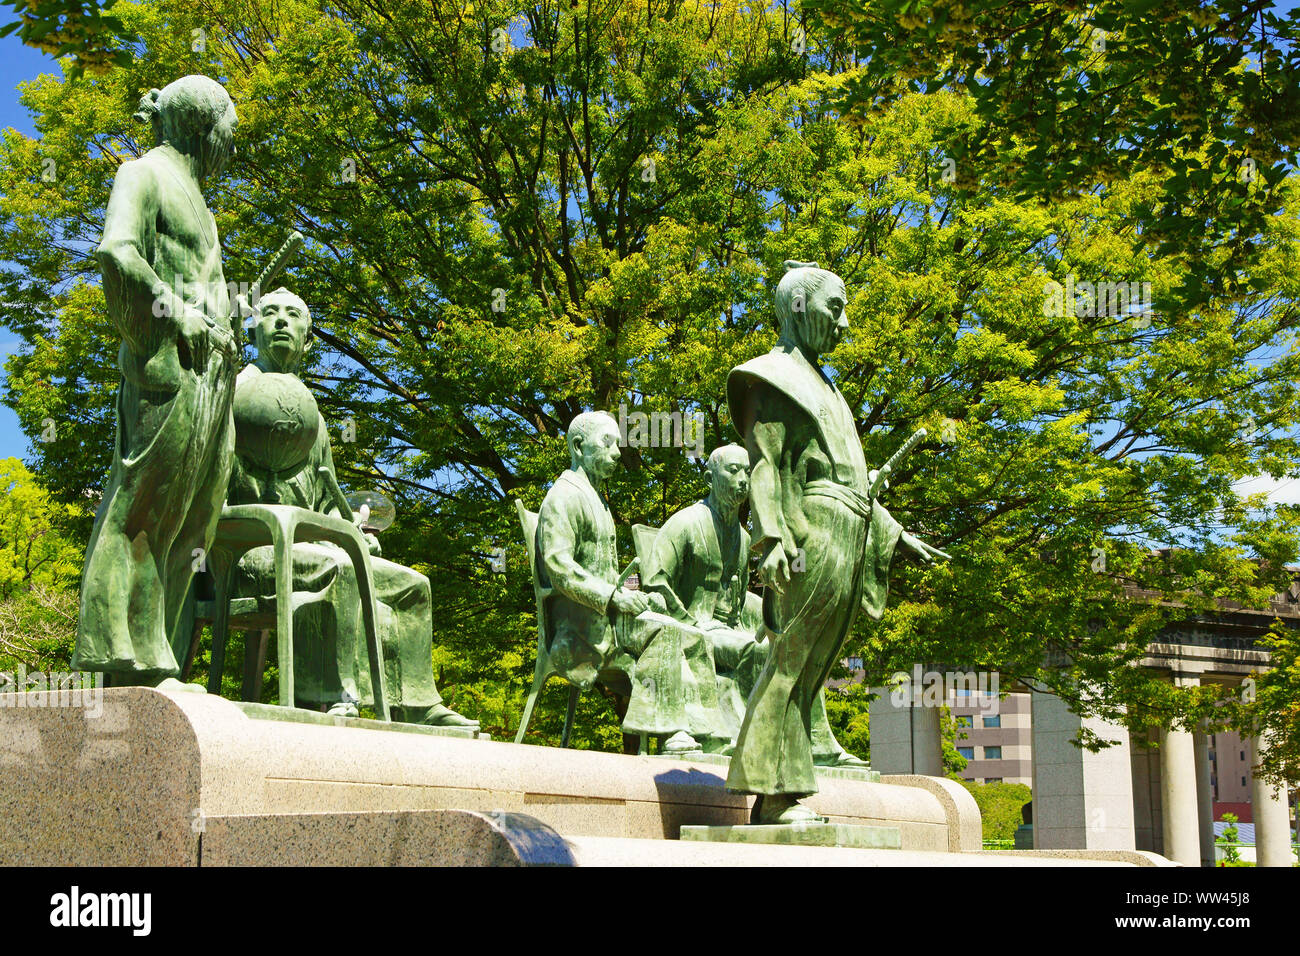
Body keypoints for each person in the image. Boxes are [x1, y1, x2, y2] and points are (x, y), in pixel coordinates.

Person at [724, 261, 949, 824]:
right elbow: (767, 467)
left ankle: (788, 789)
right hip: (812, 532)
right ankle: (771, 798)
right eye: (835, 308)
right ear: (799, 308)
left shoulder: (827, 386)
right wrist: (770, 537)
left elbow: (850, 478)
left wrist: (894, 534)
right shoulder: (772, 378)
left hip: (849, 531)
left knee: (814, 669)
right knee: (790, 660)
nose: (845, 324)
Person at [225, 288, 477, 728]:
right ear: (253, 330)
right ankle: (332, 696)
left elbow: (326, 500)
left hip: (311, 548)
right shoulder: (233, 392)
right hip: (249, 550)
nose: (282, 321)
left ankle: (417, 700)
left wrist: (351, 527)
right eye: (270, 313)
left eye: (293, 315)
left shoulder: (312, 414)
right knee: (337, 568)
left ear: (307, 340)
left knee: (412, 586)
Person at [74, 76, 241, 689]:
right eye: (229, 131)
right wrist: (179, 309)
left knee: (187, 523)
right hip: (165, 369)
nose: (232, 146)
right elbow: (117, 251)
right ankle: (109, 650)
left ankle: (154, 653)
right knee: (137, 508)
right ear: (204, 125)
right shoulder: (142, 174)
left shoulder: (198, 195)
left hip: (208, 379)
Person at [642, 443, 869, 763]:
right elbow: (655, 580)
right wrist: (687, 622)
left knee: (794, 647)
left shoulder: (744, 538)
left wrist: (779, 615)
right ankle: (750, 740)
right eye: (732, 470)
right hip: (695, 627)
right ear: (710, 476)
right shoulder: (685, 523)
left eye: (747, 472)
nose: (742, 479)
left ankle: (817, 743)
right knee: (762, 652)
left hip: (728, 630)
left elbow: (742, 599)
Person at [536, 411, 704, 751]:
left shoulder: (598, 500)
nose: (616, 453)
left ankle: (702, 729)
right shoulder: (563, 496)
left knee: (694, 636)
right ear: (579, 446)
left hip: (609, 622)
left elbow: (606, 574)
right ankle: (667, 730)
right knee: (665, 631)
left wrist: (638, 595)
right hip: (579, 631)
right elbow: (559, 565)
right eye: (607, 443)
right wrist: (614, 598)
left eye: (619, 444)